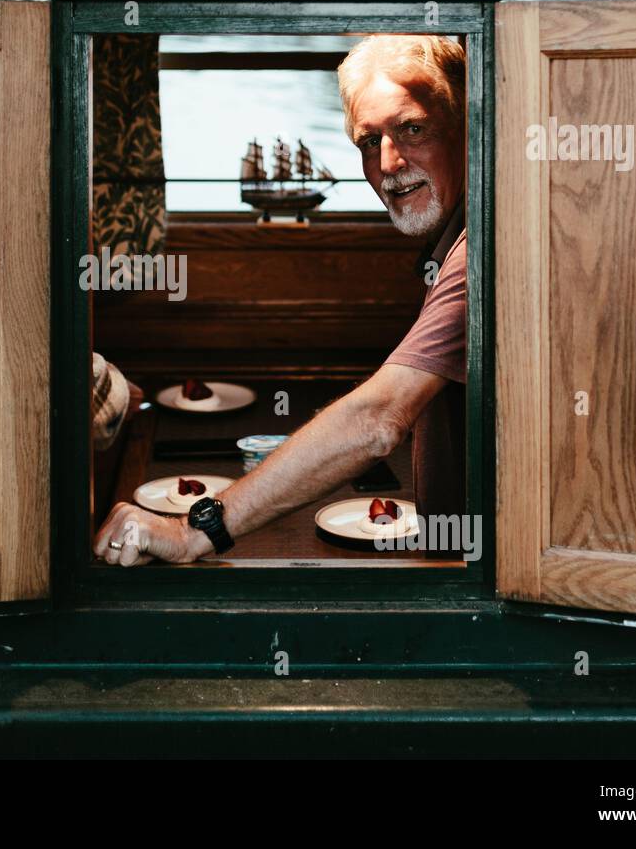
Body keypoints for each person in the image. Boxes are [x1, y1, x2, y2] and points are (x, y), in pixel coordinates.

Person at [93, 35, 467, 565]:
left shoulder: (480, 249)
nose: (388, 162)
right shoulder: (451, 239)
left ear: (467, 130)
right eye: (368, 141)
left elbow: (379, 419)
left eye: (413, 129)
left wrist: (195, 532)